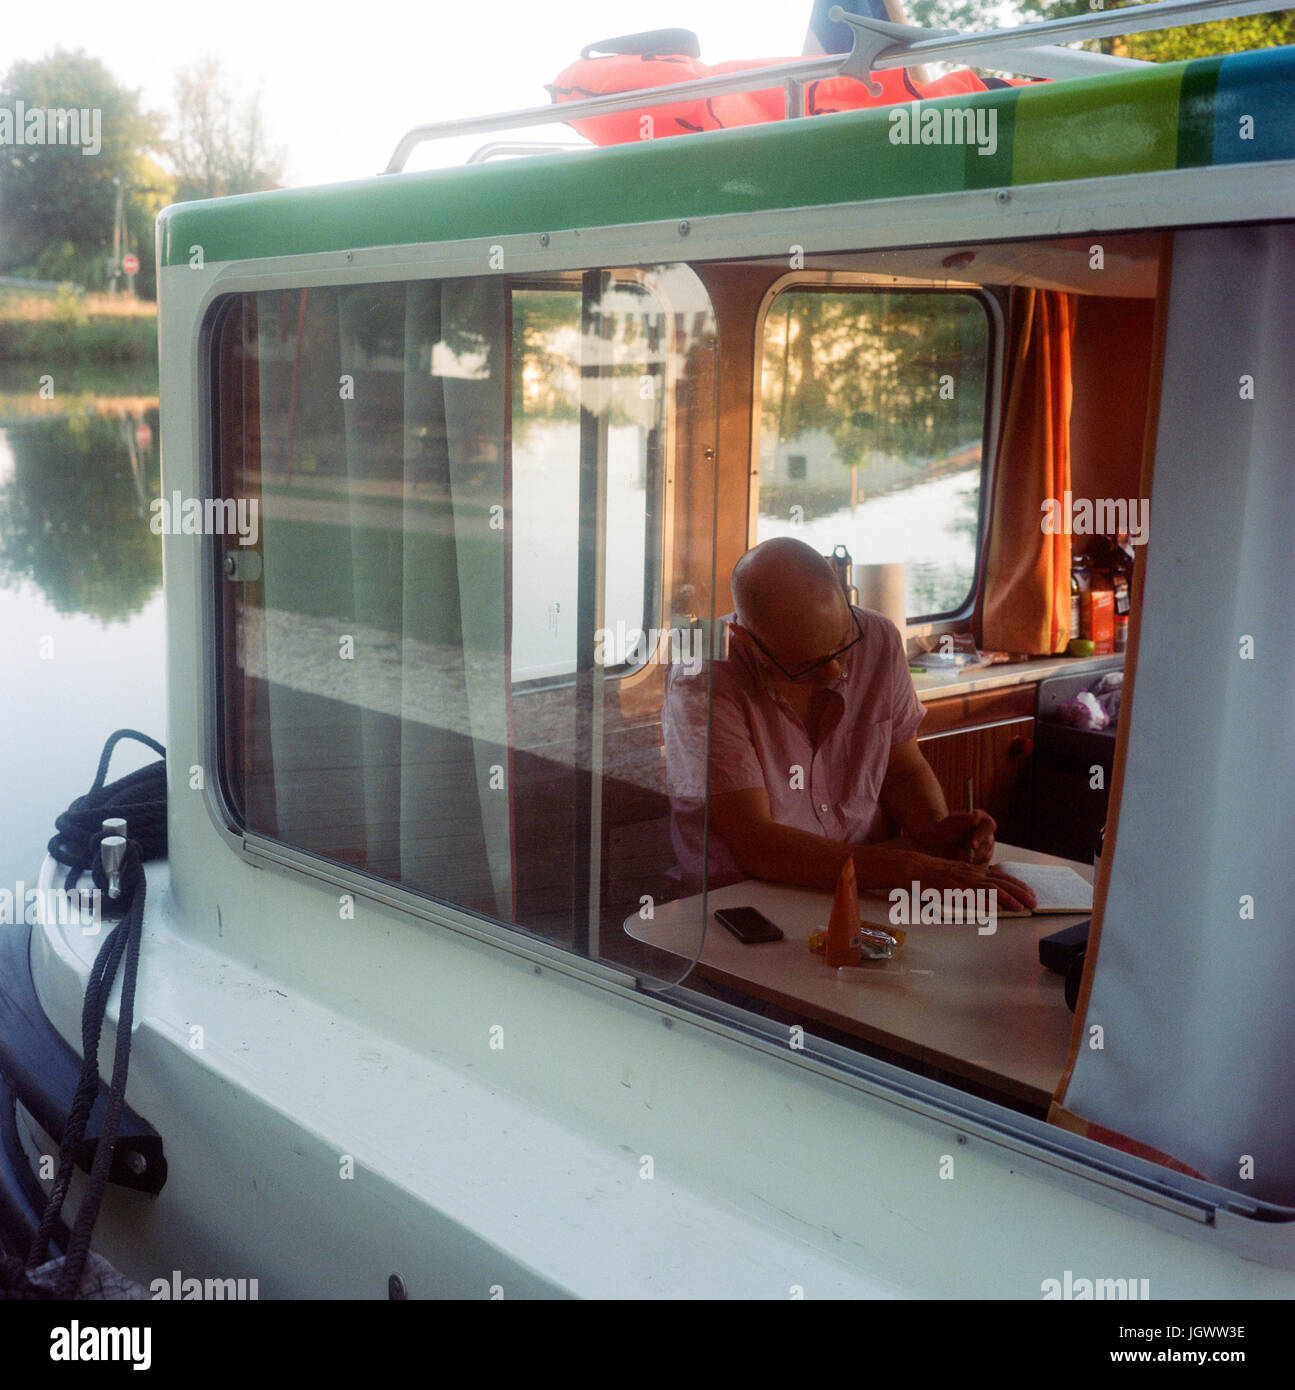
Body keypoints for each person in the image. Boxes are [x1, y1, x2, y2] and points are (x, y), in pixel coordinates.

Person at [662, 537, 1037, 911]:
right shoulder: (702, 676)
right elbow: (756, 844)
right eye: (805, 665)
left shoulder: (878, 637)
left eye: (843, 646)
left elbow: (902, 770)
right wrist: (912, 868)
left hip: (865, 883)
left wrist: (936, 831)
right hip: (743, 901)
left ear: (841, 590)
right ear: (746, 641)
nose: (834, 672)